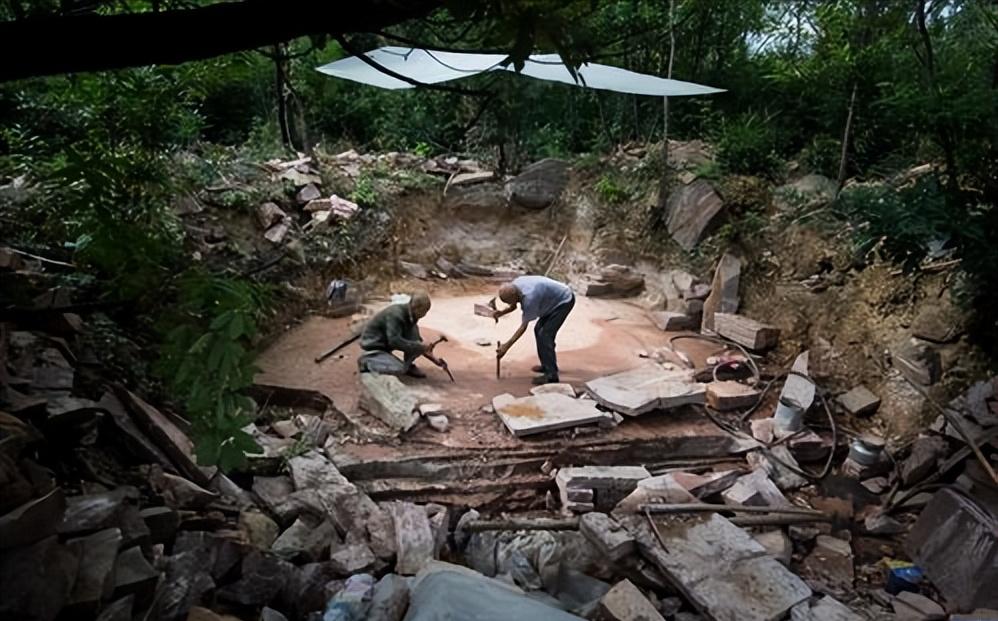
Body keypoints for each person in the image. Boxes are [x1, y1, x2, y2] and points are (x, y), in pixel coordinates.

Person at [494, 275, 575, 385]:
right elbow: (514, 305)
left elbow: (523, 327)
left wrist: (506, 346)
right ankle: (547, 365)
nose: (510, 304)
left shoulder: (530, 298)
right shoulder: (516, 285)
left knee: (545, 335)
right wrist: (502, 313)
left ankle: (551, 375)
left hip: (563, 301)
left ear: (515, 295)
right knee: (538, 330)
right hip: (551, 300)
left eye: (510, 301)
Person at [357, 291, 442, 377]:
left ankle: (407, 365)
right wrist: (420, 346)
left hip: (384, 346)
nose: (424, 314)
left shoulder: (411, 316)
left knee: (416, 342)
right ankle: (367, 362)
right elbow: (394, 341)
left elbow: (416, 340)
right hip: (373, 346)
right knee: (399, 368)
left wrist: (435, 360)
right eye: (424, 311)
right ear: (416, 308)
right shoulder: (396, 315)